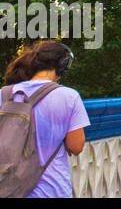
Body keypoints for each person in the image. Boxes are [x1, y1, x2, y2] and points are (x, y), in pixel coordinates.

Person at [1, 40, 88, 198]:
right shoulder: (69, 96)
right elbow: (76, 146)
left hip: (8, 188)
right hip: (52, 189)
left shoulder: (4, 94)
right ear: (63, 65)